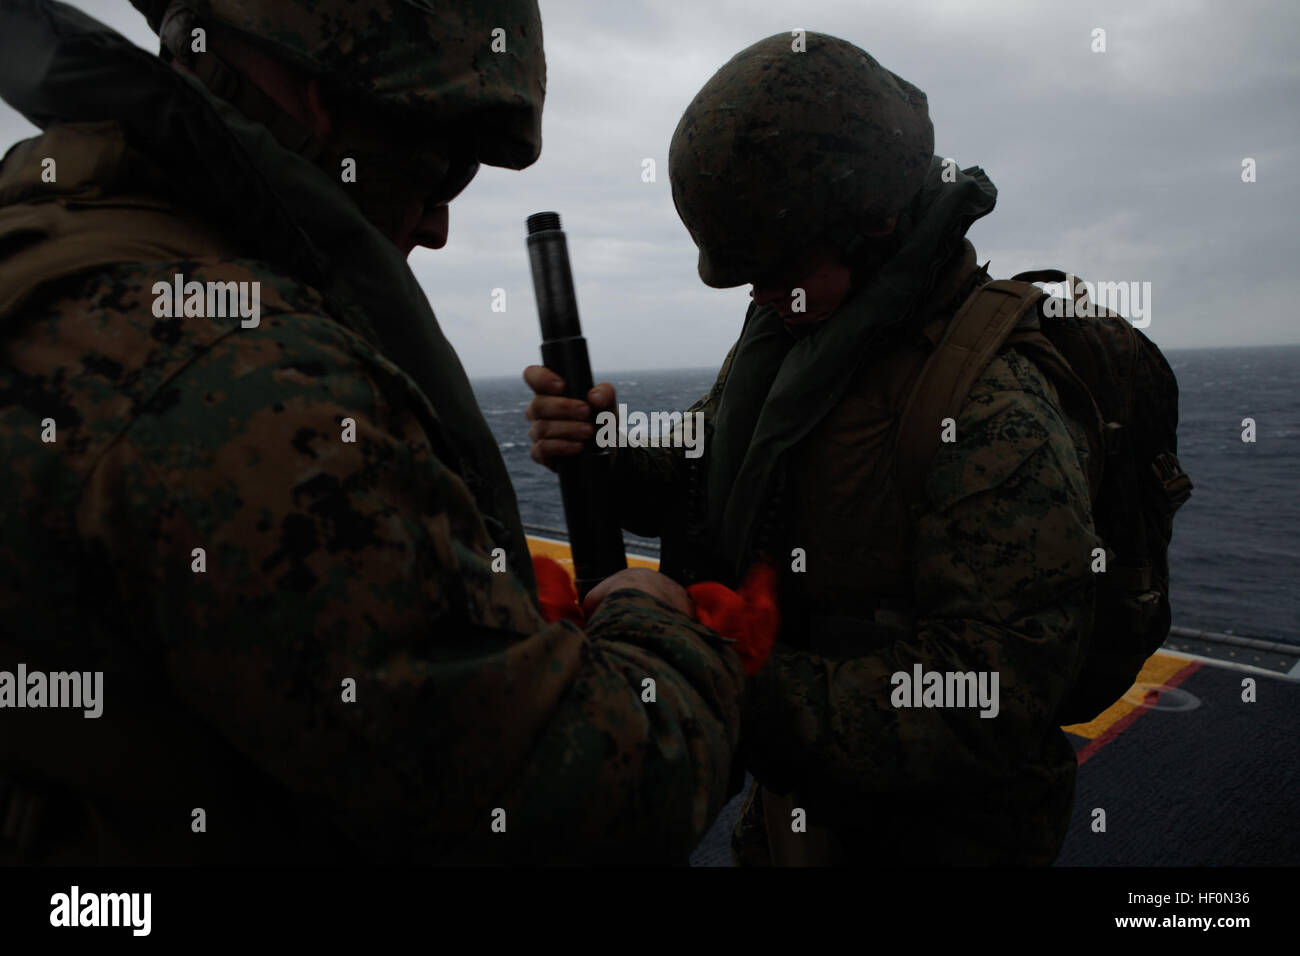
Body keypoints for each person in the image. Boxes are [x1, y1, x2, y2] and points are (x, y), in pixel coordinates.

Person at [0, 0, 743, 865]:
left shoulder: (66, 248)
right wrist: (649, 623)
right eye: (443, 167)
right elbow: (582, 806)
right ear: (325, 94)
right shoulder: (241, 378)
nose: (438, 222)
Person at [525, 32, 1102, 865]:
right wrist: (602, 455)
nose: (760, 295)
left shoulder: (990, 407)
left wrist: (716, 673)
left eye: (779, 267)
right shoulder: (799, 332)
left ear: (877, 226)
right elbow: (707, 470)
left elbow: (985, 700)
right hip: (790, 822)